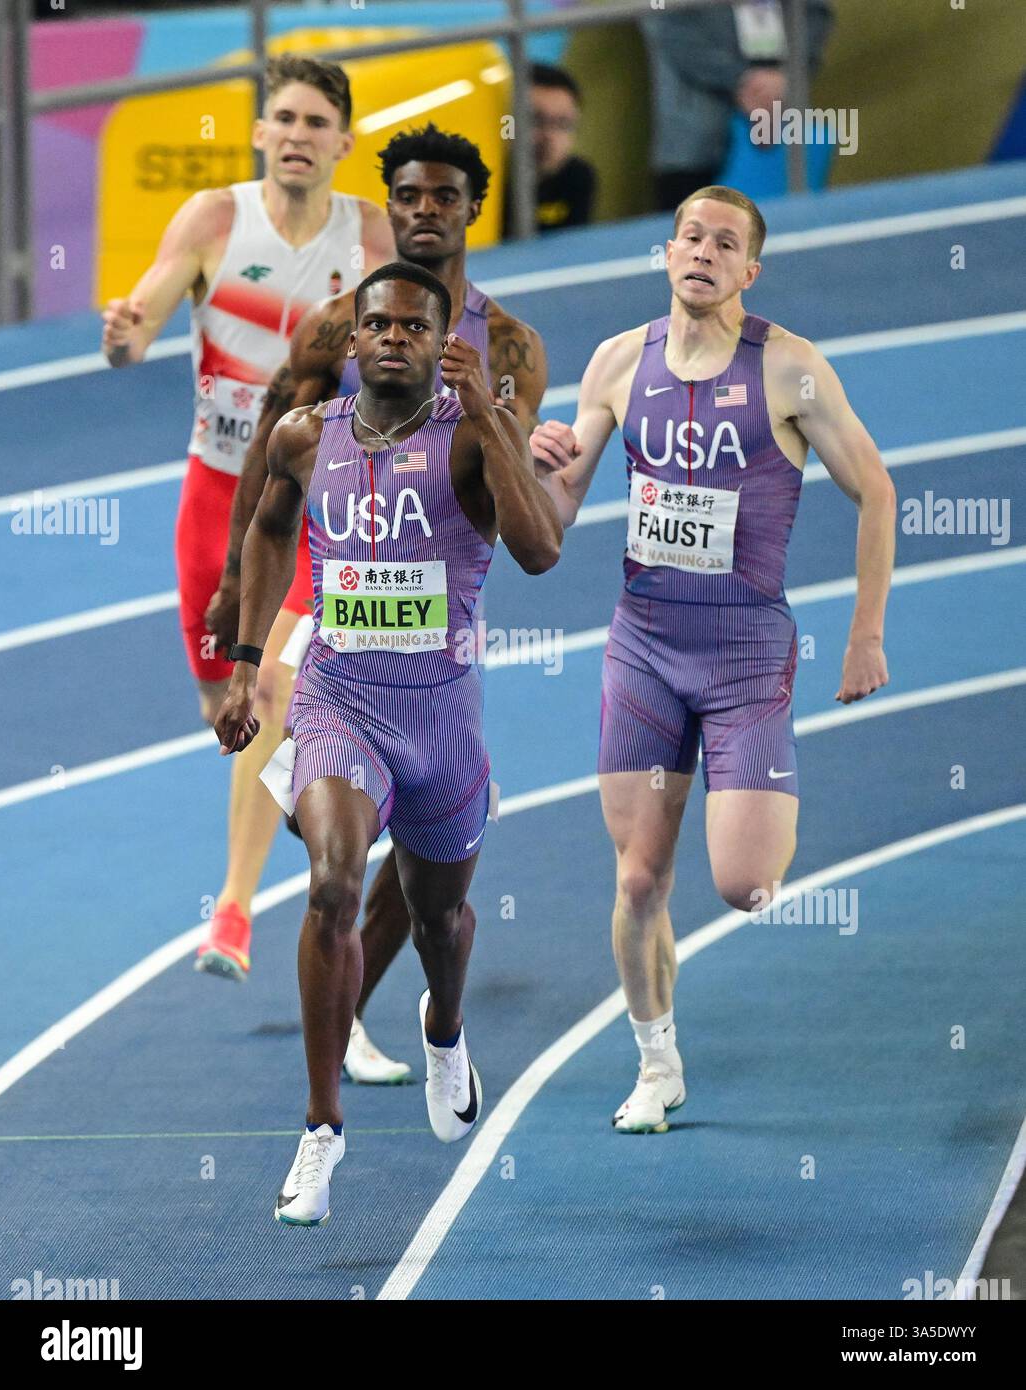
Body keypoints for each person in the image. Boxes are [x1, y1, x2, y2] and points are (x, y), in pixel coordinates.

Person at [531, 185, 895, 1132]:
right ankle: (656, 1064)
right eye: (689, 236)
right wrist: (525, 465)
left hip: (743, 659)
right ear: (667, 253)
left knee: (746, 886)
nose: (701, 252)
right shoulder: (616, 362)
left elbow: (879, 491)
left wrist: (864, 634)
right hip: (643, 651)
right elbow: (556, 519)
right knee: (639, 880)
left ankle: (752, 780)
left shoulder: (788, 368)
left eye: (723, 242)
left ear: (748, 270)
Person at [213, 262, 562, 1225]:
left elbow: (538, 550)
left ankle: (444, 1029)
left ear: (445, 338)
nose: (393, 339)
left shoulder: (468, 443)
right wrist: (246, 664)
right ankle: (321, 1129)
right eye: (377, 325)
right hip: (338, 701)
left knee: (439, 917)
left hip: (441, 719)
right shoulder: (302, 437)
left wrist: (490, 414)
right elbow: (267, 532)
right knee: (332, 881)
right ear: (355, 337)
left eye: (415, 327)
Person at [101, 55, 395, 985]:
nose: (300, 136)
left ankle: (233, 910)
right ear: (261, 134)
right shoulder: (215, 220)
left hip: (311, 506)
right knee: (224, 715)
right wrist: (126, 334)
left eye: (318, 122)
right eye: (285, 120)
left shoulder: (370, 235)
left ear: (343, 143)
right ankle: (326, 800)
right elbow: (142, 318)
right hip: (217, 501)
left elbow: (408, 356)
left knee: (267, 691)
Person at [638, 2, 834, 210]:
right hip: (696, 148)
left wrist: (786, 75)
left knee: (794, 227)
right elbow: (669, 29)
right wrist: (743, 81)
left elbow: (814, 12)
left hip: (780, 132)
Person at [503, 63, 597, 236]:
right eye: (535, 121)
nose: (549, 137)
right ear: (506, 125)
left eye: (563, 124)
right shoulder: (486, 184)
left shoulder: (577, 178)